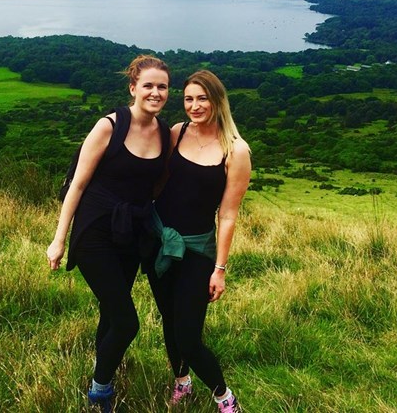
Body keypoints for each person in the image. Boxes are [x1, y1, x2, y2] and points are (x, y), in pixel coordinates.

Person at [46, 54, 170, 412]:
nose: (155, 93)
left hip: (130, 234)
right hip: (95, 232)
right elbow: (77, 184)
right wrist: (59, 239)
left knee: (111, 312)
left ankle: (103, 370)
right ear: (133, 88)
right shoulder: (109, 126)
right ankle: (100, 391)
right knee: (127, 322)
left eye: (162, 87)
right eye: (148, 85)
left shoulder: (165, 133)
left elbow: (158, 186)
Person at [146, 69, 251, 413]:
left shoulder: (235, 150)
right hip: (159, 242)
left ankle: (225, 397)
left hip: (196, 250)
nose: (194, 106)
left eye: (202, 98)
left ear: (217, 100)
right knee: (169, 318)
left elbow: (228, 214)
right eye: (188, 99)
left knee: (189, 336)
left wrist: (219, 269)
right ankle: (182, 382)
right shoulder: (177, 132)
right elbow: (156, 181)